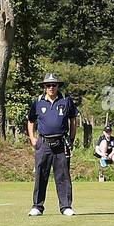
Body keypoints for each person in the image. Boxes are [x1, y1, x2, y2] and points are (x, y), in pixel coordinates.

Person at [26, 73, 77, 216]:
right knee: (41, 174)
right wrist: (32, 137)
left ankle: (66, 206)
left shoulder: (66, 101)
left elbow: (73, 120)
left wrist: (71, 139)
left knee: (63, 175)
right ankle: (37, 206)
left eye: (54, 85)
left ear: (58, 86)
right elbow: (31, 121)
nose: (51, 88)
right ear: (44, 87)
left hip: (61, 142)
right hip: (43, 143)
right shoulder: (38, 102)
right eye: (48, 85)